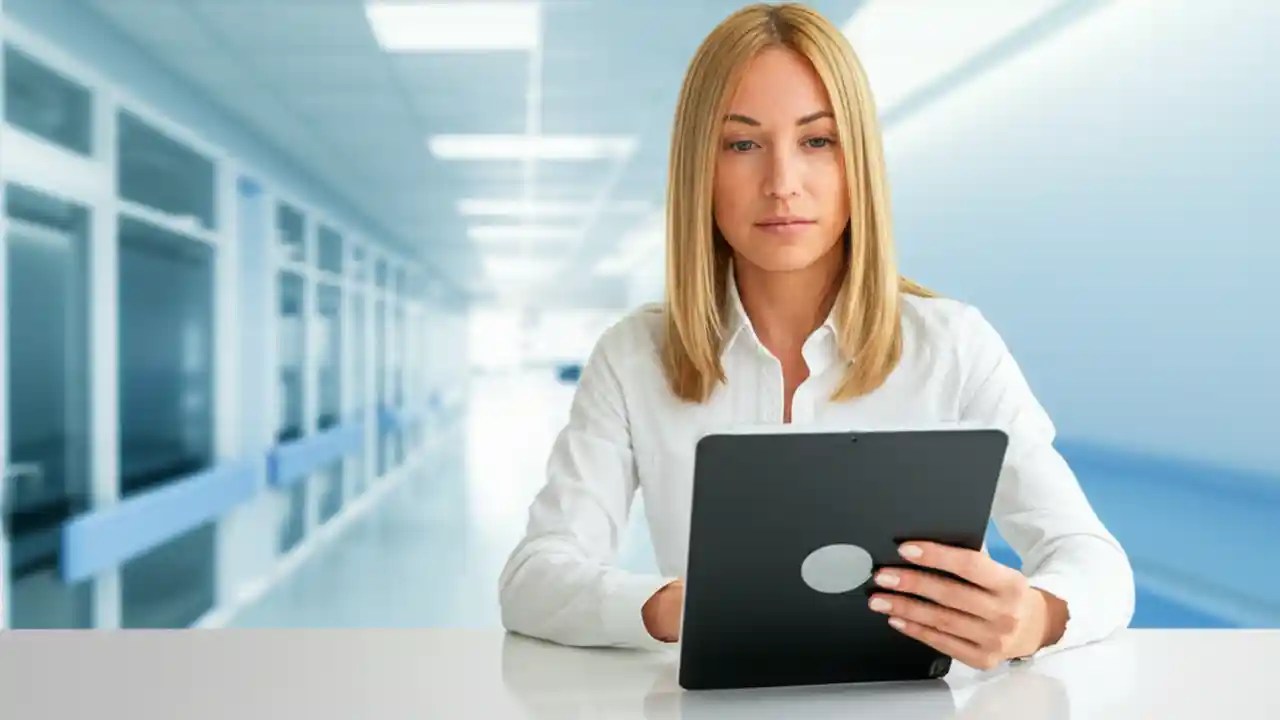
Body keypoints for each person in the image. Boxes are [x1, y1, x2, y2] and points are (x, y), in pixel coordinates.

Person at [498, 2, 1134, 670]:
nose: (781, 185)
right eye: (742, 145)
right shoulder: (634, 356)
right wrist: (677, 607)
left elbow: (1093, 560)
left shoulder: (954, 346)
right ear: (699, 170)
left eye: (818, 141)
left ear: (858, 161)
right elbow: (533, 578)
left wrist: (1037, 617)